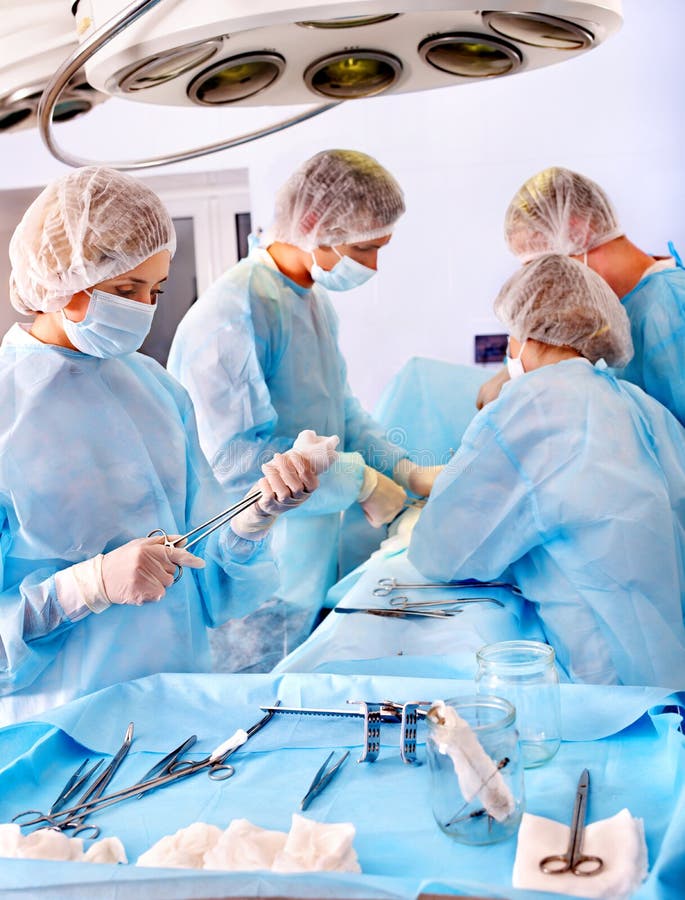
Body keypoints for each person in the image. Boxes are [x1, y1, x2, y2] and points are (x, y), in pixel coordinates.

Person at [0, 166, 330, 723]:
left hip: (177, 702)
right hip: (64, 726)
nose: (143, 307)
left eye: (153, 291)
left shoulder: (154, 388)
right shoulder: (8, 413)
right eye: (125, 290)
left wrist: (254, 519)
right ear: (60, 279)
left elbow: (206, 577)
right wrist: (87, 587)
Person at [168, 149, 441, 668]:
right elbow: (233, 461)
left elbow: (342, 415)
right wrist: (360, 482)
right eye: (365, 248)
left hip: (305, 569)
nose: (373, 266)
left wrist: (406, 471)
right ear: (313, 221)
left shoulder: (311, 301)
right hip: (254, 577)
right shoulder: (232, 313)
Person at [410, 254, 685, 686]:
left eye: (510, 335)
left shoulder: (531, 405)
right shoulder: (637, 405)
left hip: (603, 674)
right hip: (667, 663)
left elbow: (443, 553)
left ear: (528, 333)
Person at [477, 166, 685, 422]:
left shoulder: (673, 309)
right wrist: (515, 369)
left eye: (542, 265)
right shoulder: (607, 313)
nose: (538, 281)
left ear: (578, 231)